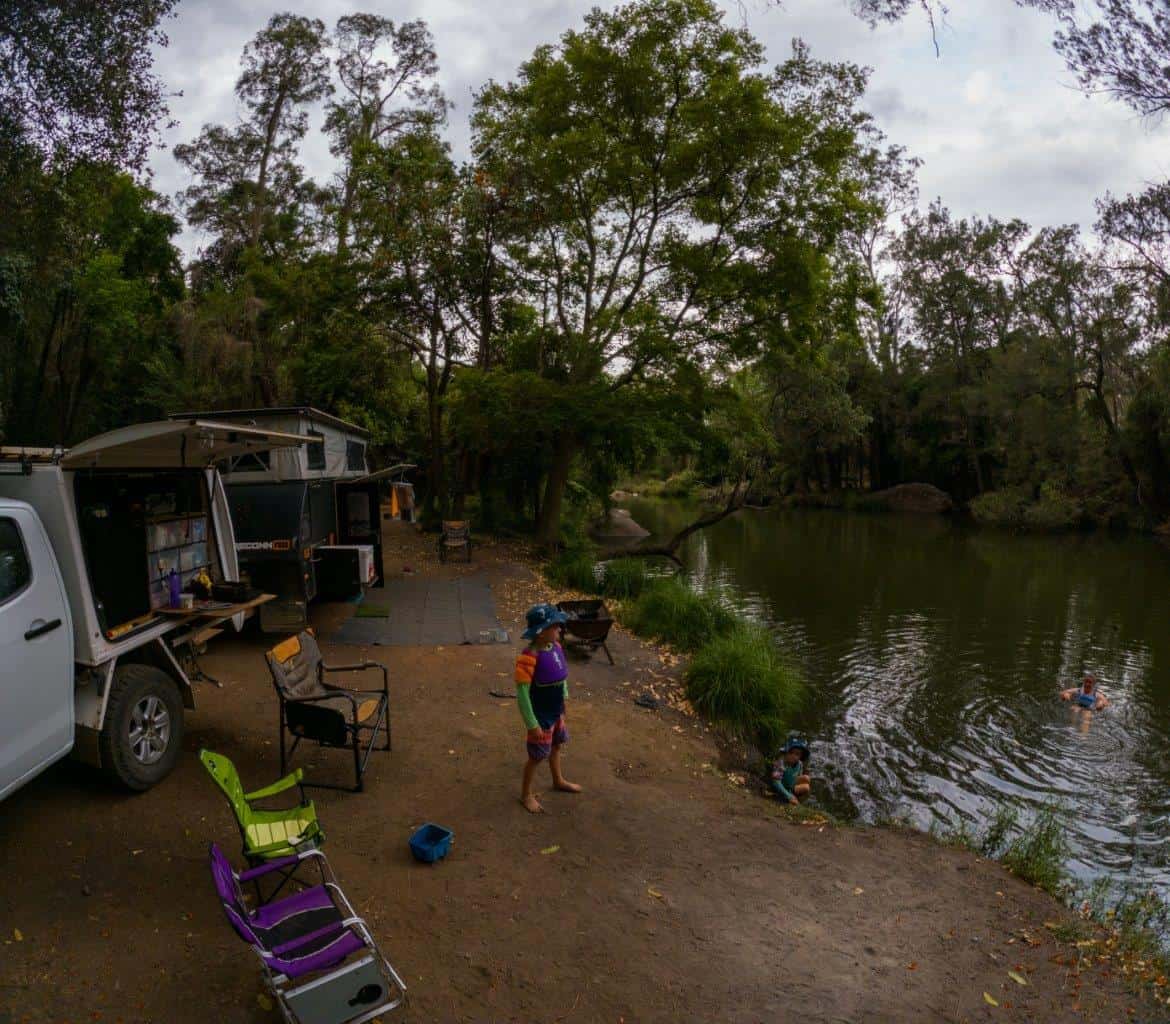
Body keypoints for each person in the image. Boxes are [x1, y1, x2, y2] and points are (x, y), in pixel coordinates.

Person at [515, 603, 582, 813]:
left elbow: (560, 677)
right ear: (541, 632)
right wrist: (531, 723)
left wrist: (564, 698)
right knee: (536, 757)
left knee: (556, 747)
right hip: (541, 715)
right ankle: (526, 795)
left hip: (556, 711)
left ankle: (558, 780)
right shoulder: (528, 658)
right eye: (555, 626)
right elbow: (522, 694)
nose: (560, 630)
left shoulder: (557, 648)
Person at [770, 736, 811, 805]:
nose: (793, 756)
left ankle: (796, 798)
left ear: (800, 756)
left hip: (790, 785)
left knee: (806, 781)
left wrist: (792, 790)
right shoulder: (781, 763)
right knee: (782, 788)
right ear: (786, 752)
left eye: (797, 754)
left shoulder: (799, 764)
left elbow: (798, 776)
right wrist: (789, 796)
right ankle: (788, 797)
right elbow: (776, 782)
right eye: (791, 753)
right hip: (780, 786)